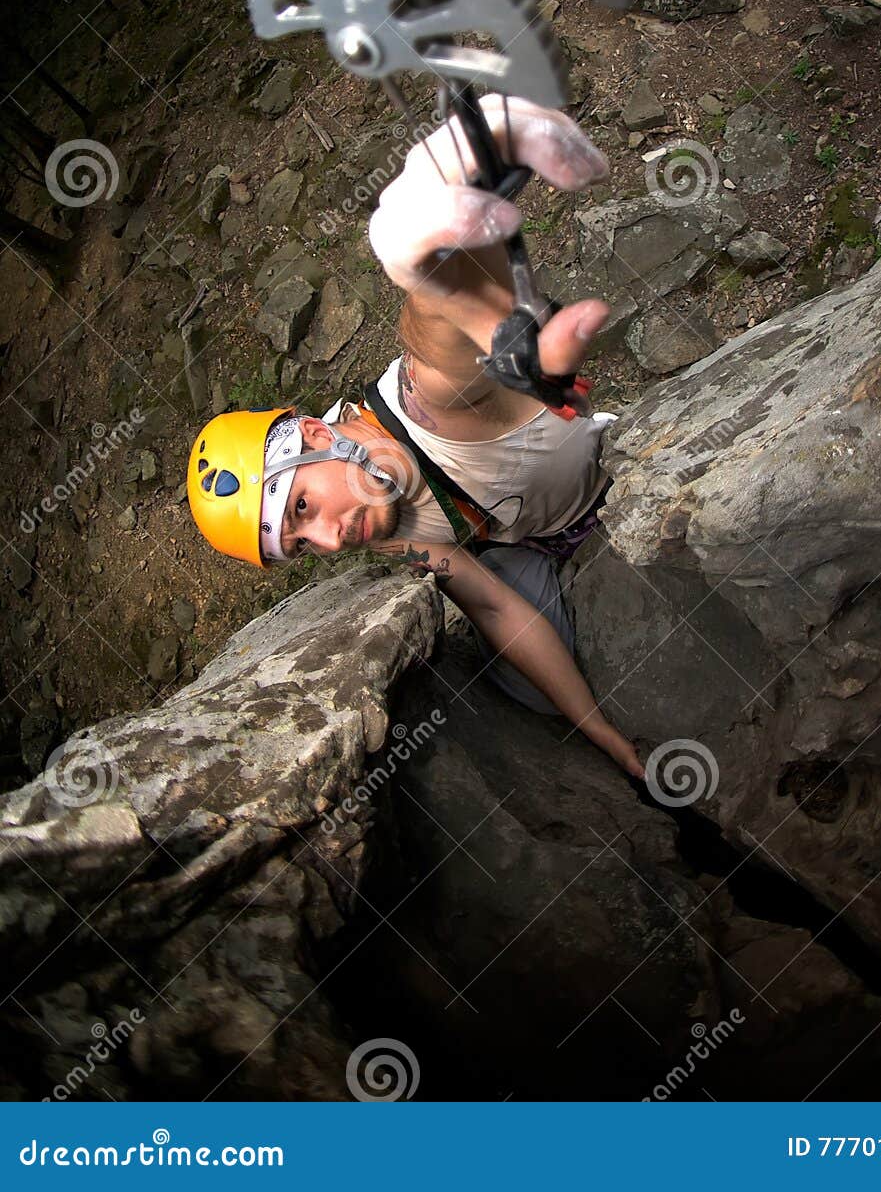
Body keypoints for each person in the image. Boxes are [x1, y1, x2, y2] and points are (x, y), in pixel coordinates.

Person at [187, 96, 643, 779]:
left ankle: (433, 217)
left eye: (302, 507)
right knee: (525, 689)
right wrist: (597, 730)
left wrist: (426, 263)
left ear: (314, 434)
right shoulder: (387, 529)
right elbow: (490, 604)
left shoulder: (426, 406)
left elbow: (435, 355)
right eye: (300, 546)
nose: (330, 541)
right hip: (533, 539)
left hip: (599, 483)